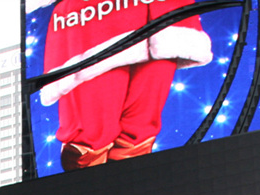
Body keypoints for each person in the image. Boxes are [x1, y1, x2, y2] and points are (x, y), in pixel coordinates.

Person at [34, 0, 212, 170]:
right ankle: (90, 193)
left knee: (140, 128)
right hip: (95, 17)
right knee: (90, 132)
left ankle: (132, 190)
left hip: (164, 17)